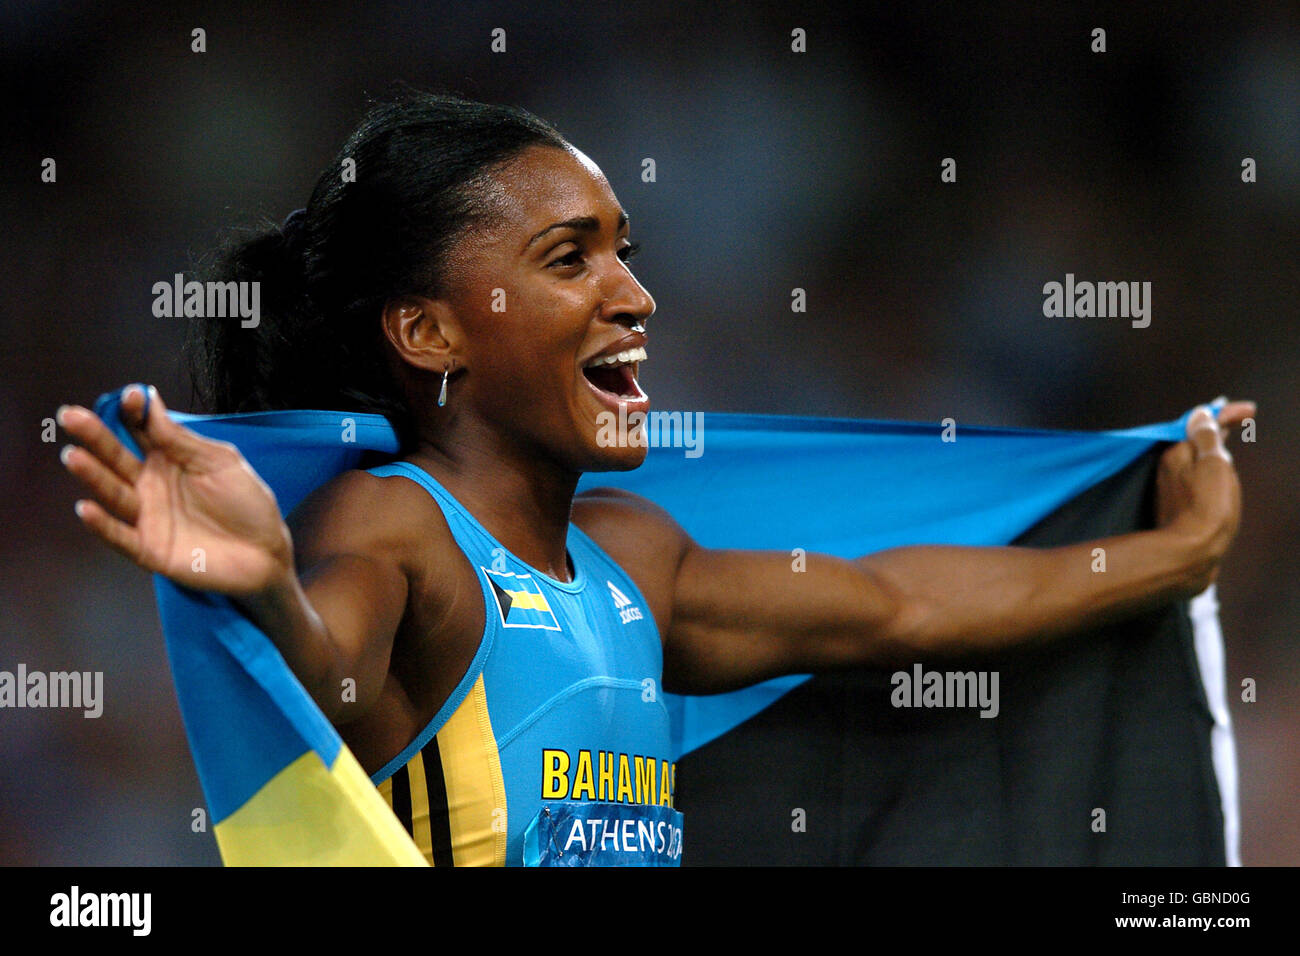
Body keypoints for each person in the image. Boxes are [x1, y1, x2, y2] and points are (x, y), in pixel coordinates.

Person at [55, 90, 1254, 866]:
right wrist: (266, 593)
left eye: (625, 250)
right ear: (429, 334)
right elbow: (331, 672)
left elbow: (901, 606)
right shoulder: (394, 522)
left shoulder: (636, 558)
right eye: (568, 257)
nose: (634, 294)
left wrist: (1175, 552)